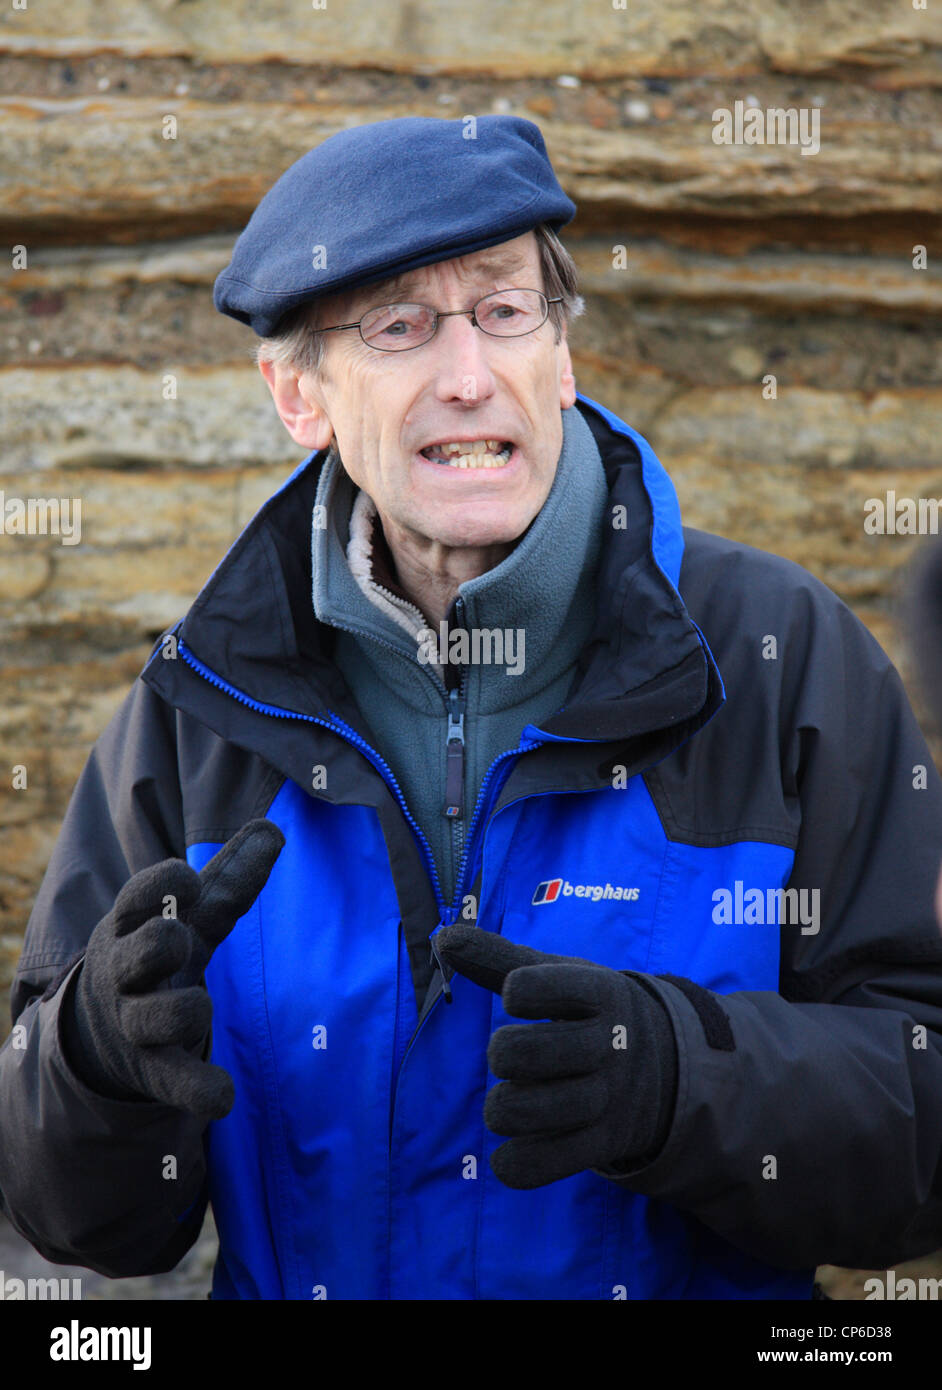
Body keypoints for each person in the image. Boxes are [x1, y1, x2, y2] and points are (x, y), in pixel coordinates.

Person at [2, 115, 942, 1301]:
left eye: (505, 311)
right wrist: (90, 1058)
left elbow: (924, 1136)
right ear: (299, 395)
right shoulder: (200, 705)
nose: (466, 376)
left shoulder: (781, 656)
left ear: (563, 353)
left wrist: (684, 1081)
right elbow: (73, 1217)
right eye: (398, 327)